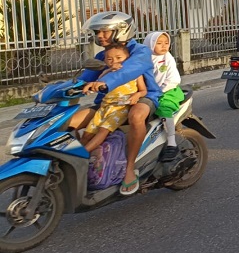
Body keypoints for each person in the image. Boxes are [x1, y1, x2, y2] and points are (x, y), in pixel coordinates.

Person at [68, 11, 161, 196]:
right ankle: (80, 164)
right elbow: (85, 78)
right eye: (97, 32)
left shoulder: (140, 51)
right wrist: (62, 88)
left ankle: (129, 168)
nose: (99, 36)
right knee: (69, 122)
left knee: (136, 116)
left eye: (104, 31)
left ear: (121, 31)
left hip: (141, 95)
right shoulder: (104, 55)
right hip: (108, 102)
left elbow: (127, 71)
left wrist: (105, 82)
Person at [80, 43, 147, 154]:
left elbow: (143, 90)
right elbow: (97, 83)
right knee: (88, 133)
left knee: (103, 130)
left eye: (119, 58)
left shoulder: (135, 74)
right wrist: (109, 70)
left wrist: (137, 95)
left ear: (128, 59)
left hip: (120, 108)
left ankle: (84, 154)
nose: (114, 61)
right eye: (109, 59)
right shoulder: (106, 74)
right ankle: (75, 155)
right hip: (104, 107)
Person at [143, 31, 184, 161]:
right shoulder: (144, 59)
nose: (164, 46)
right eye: (159, 43)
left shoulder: (168, 58)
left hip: (168, 91)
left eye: (166, 43)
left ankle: (172, 143)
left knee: (164, 108)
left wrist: (160, 91)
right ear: (150, 44)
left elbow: (174, 79)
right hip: (150, 91)